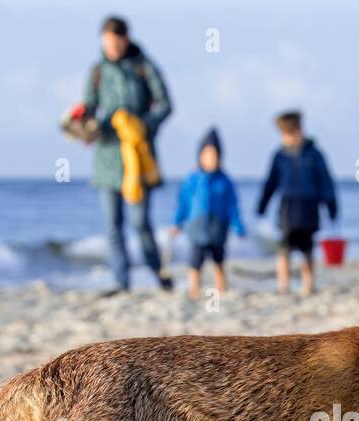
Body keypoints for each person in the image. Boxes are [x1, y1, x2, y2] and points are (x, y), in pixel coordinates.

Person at [83, 15, 173, 295]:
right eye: (108, 42)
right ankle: (121, 282)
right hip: (107, 157)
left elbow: (166, 104)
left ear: (126, 39)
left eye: (117, 41)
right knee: (112, 225)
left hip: (140, 155)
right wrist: (86, 124)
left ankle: (159, 275)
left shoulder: (144, 67)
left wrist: (142, 125)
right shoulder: (97, 71)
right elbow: (89, 107)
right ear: (103, 40)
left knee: (140, 222)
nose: (114, 47)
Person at [256, 111, 338, 296]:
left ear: (300, 131)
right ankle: (283, 285)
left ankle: (308, 285)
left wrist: (331, 205)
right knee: (284, 249)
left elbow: (325, 181)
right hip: (287, 208)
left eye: (292, 134)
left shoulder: (315, 155)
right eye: (285, 135)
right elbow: (271, 182)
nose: (289, 139)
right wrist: (262, 204)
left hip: (309, 207)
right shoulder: (279, 156)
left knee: (307, 249)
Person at [171, 128, 245, 300]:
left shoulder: (225, 180)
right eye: (207, 155)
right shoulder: (192, 179)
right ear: (200, 156)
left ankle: (220, 291)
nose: (211, 159)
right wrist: (177, 222)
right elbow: (183, 203)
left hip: (218, 229)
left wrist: (238, 225)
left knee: (218, 261)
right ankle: (194, 291)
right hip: (196, 229)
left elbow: (232, 205)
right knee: (195, 263)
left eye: (215, 155)